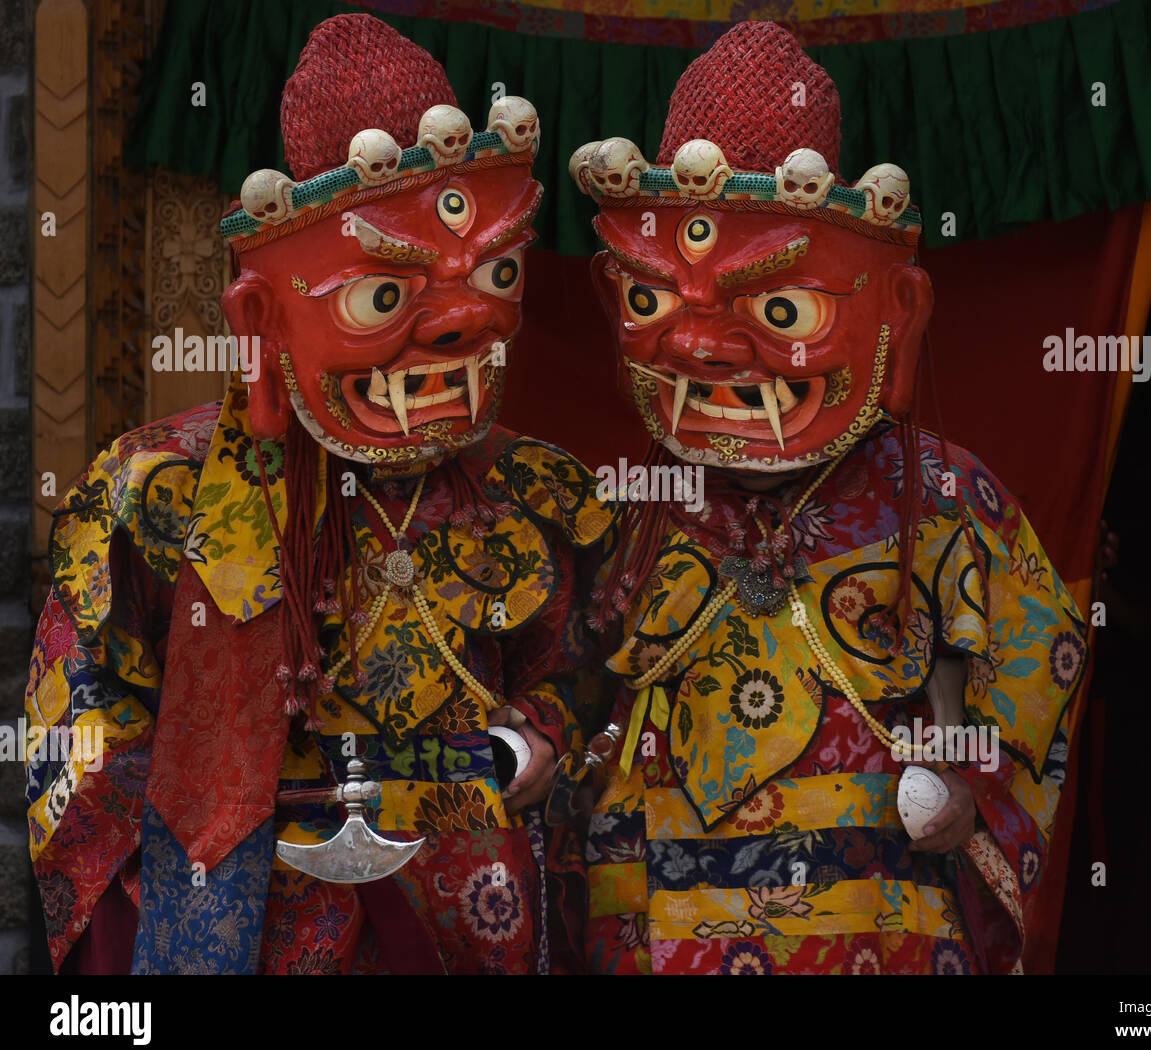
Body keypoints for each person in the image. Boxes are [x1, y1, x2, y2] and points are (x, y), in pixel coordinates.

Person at [26, 13, 613, 974]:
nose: (459, 325)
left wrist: (541, 738)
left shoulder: (544, 492)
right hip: (247, 918)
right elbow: (75, 729)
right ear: (263, 315)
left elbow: (604, 673)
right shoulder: (154, 490)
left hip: (473, 913)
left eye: (493, 275)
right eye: (385, 297)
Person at [570, 21, 1087, 974]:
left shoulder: (938, 495)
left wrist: (968, 777)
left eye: (783, 311)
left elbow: (1041, 650)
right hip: (667, 913)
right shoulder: (628, 508)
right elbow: (563, 681)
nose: (705, 349)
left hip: (878, 911)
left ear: (896, 312)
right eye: (656, 304)